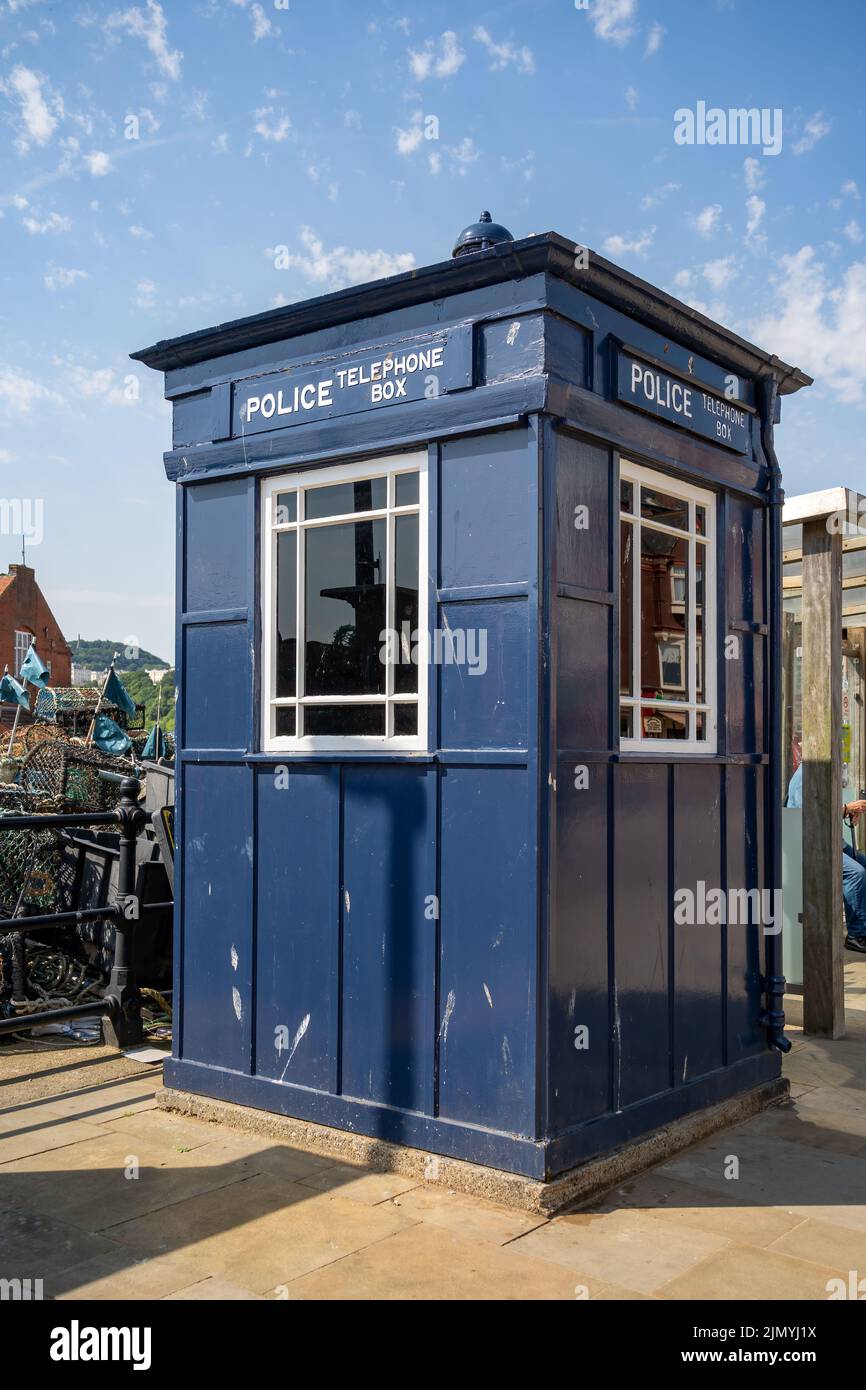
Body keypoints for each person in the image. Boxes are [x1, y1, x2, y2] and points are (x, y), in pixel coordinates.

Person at [786, 762, 866, 953]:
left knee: (863, 866)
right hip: (813, 845)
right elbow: (810, 815)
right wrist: (846, 808)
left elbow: (825, 807)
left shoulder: (820, 775)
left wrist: (848, 811)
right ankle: (857, 934)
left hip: (830, 841)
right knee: (856, 874)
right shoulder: (803, 778)